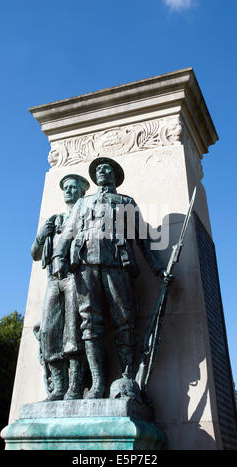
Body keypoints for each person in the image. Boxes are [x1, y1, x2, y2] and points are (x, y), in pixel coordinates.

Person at [53, 157, 167, 399]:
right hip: (85, 265)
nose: (102, 171)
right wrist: (59, 257)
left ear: (115, 174)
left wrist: (157, 267)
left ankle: (127, 376)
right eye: (98, 169)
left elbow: (143, 238)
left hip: (117, 264)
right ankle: (97, 384)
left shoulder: (126, 202)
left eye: (106, 168)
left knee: (124, 321)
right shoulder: (83, 203)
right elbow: (68, 233)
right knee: (89, 324)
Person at [31, 173, 90, 400]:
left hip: (75, 277)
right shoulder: (54, 221)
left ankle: (75, 387)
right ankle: (58, 386)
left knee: (73, 331)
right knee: (48, 331)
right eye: (66, 187)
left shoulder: (85, 216)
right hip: (53, 279)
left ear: (82, 192)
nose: (69, 191)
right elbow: (35, 254)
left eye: (74, 187)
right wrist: (41, 236)